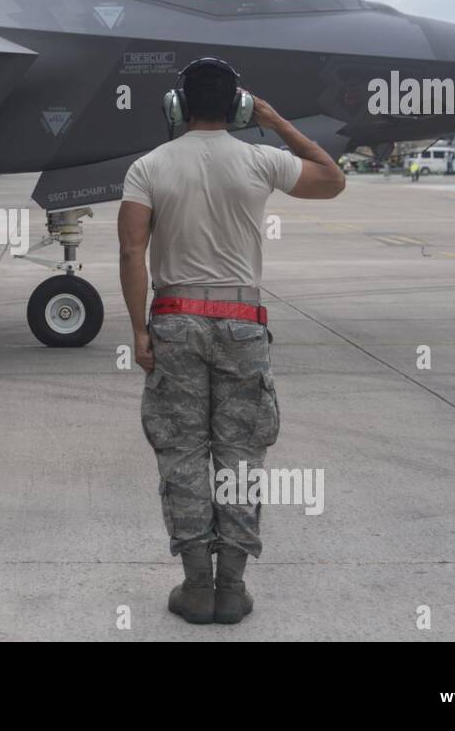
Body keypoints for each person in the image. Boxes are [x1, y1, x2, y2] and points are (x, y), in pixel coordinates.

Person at [117, 58, 345, 625]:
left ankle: (196, 587)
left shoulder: (147, 166)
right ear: (239, 108)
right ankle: (232, 589)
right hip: (243, 321)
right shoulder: (261, 158)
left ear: (177, 106)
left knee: (183, 454)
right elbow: (332, 179)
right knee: (240, 456)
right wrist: (274, 119)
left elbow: (131, 254)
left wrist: (140, 331)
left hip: (174, 318)